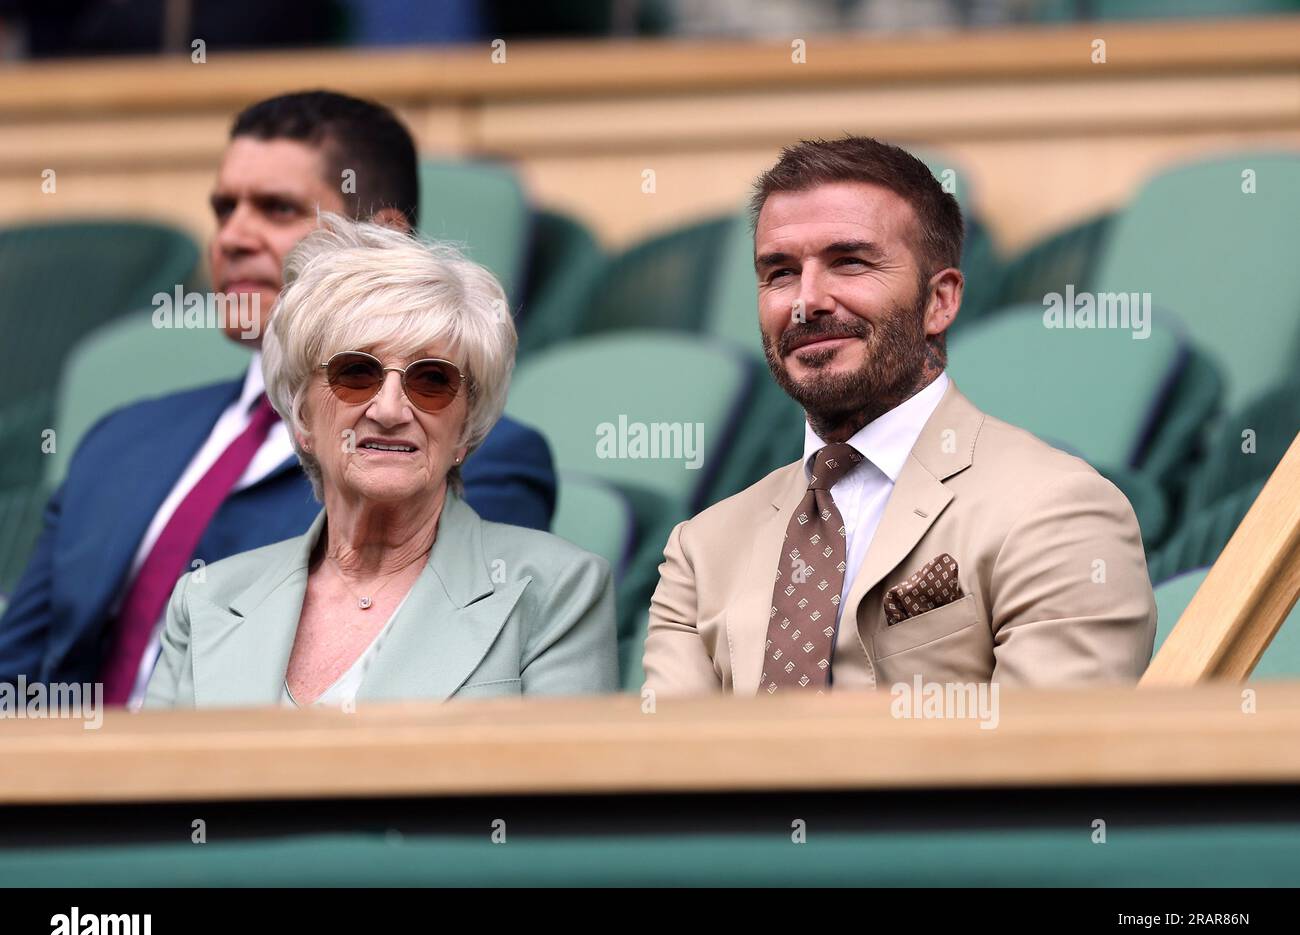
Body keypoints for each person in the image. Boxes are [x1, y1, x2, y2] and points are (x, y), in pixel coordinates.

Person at [0, 91, 557, 708]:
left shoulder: (466, 454)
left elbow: (426, 688)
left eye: (276, 209)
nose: (233, 237)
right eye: (224, 210)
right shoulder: (123, 437)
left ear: (380, 239)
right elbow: (15, 678)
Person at [643, 136, 1156, 696]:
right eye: (780, 273)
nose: (806, 301)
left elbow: (1049, 764)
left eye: (850, 262)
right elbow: (663, 773)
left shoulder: (1058, 511)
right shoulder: (700, 551)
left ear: (940, 301)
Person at [146, 214, 618, 708]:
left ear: (466, 428)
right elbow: (150, 780)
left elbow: (561, 782)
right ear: (303, 417)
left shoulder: (557, 590)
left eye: (432, 381)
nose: (391, 410)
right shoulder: (205, 600)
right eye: (355, 373)